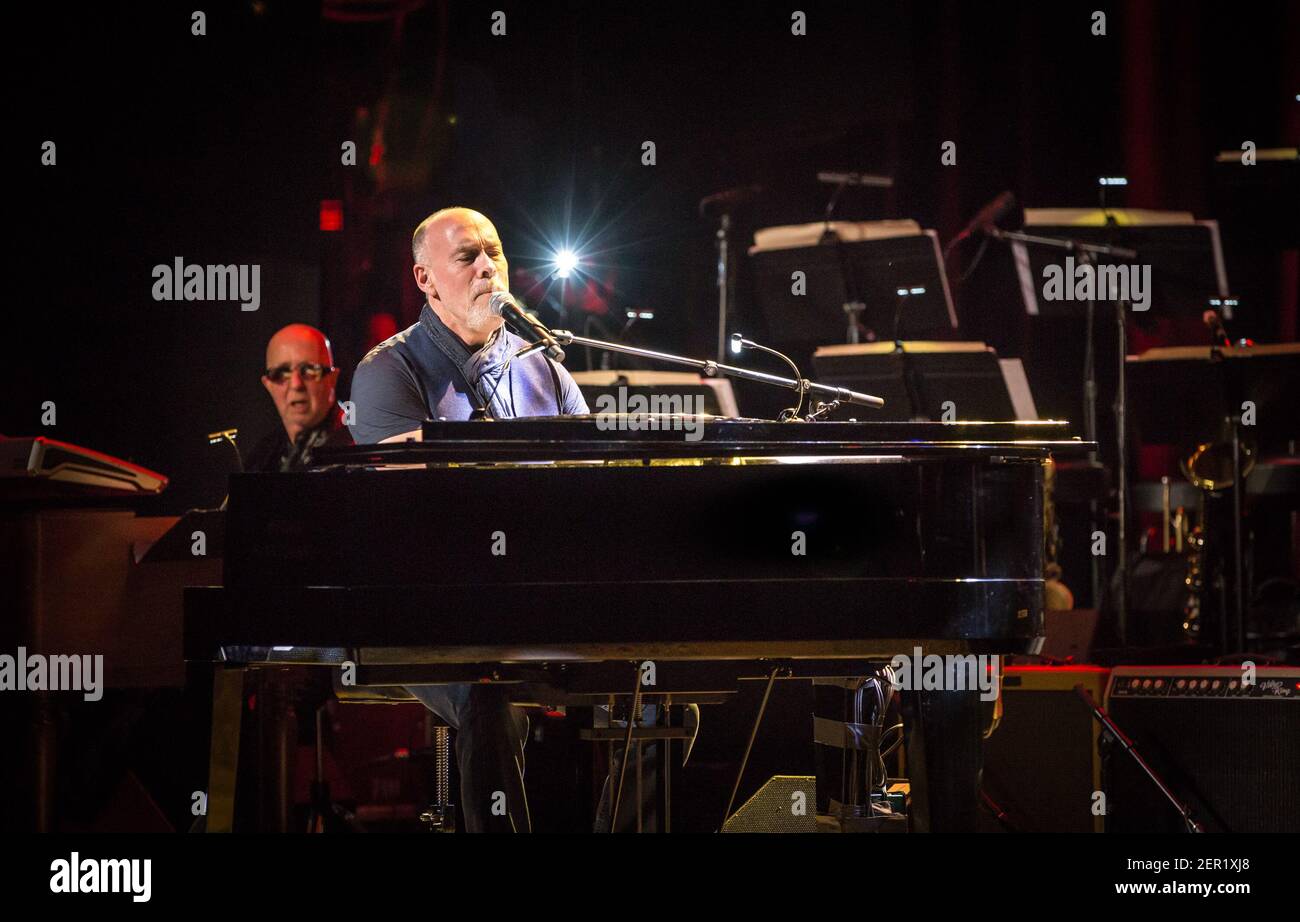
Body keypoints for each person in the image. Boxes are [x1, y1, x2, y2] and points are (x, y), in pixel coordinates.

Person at [349, 207, 588, 832]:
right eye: (467, 257)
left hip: (537, 604)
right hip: (427, 612)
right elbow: (418, 518)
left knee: (667, 699)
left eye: (496, 252)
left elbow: (594, 487)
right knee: (488, 696)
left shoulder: (546, 366)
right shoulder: (387, 371)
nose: (488, 267)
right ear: (426, 280)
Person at [244, 324, 353, 472]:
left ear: (332, 378)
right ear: (268, 384)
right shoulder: (261, 459)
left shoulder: (360, 448)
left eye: (309, 370)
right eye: (281, 373)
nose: (296, 384)